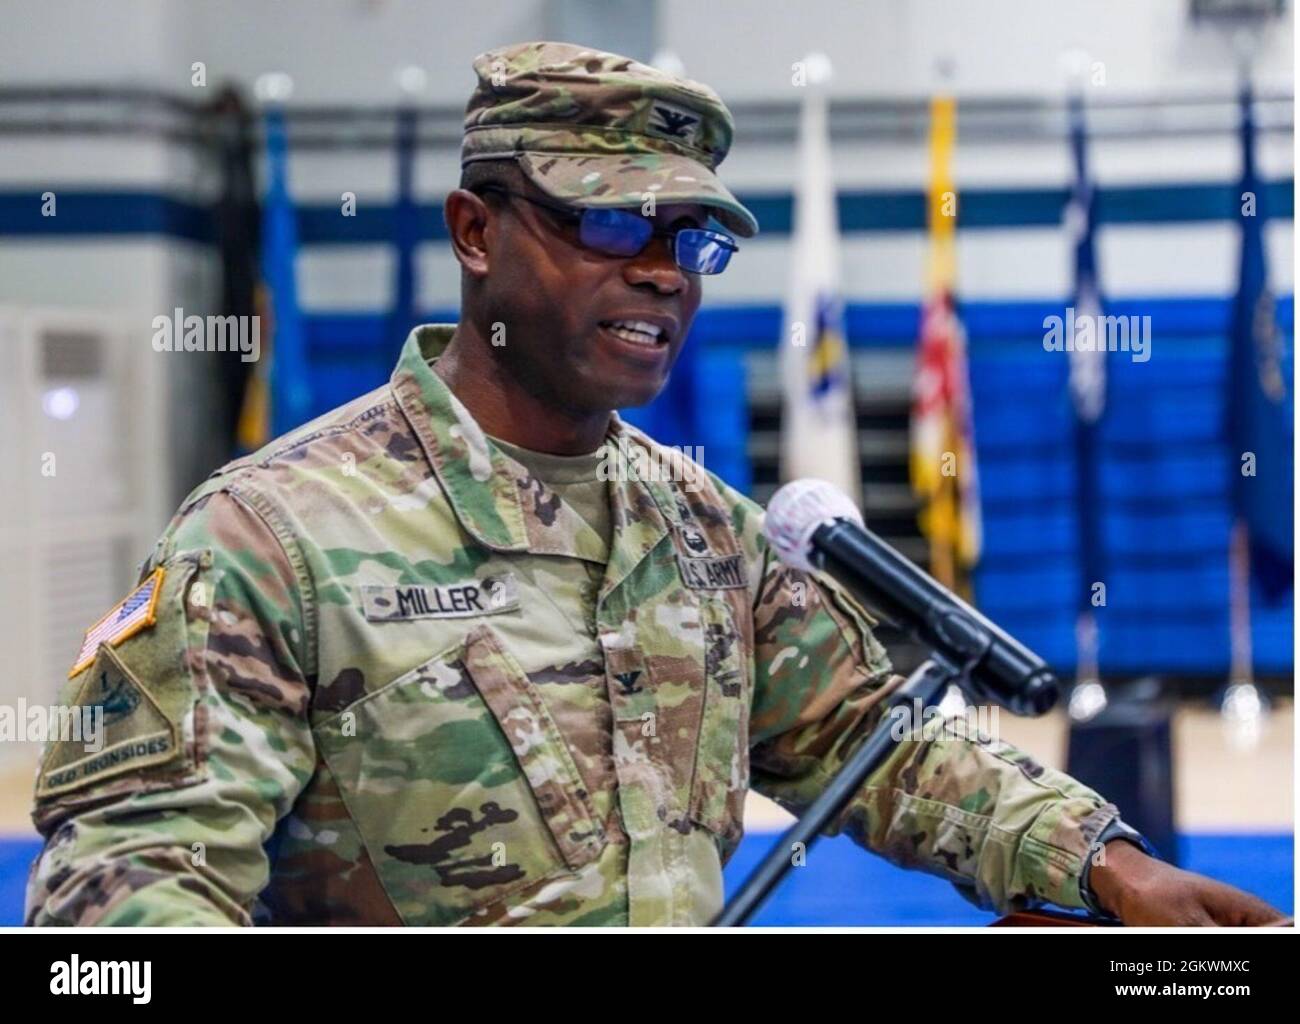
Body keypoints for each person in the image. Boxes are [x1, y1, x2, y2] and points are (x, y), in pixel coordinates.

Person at [26, 41, 1282, 927]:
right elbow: (124, 902)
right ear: (476, 232)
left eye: (693, 242)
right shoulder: (269, 538)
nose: (665, 273)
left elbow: (875, 738)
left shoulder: (701, 531)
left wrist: (1105, 862)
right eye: (615, 226)